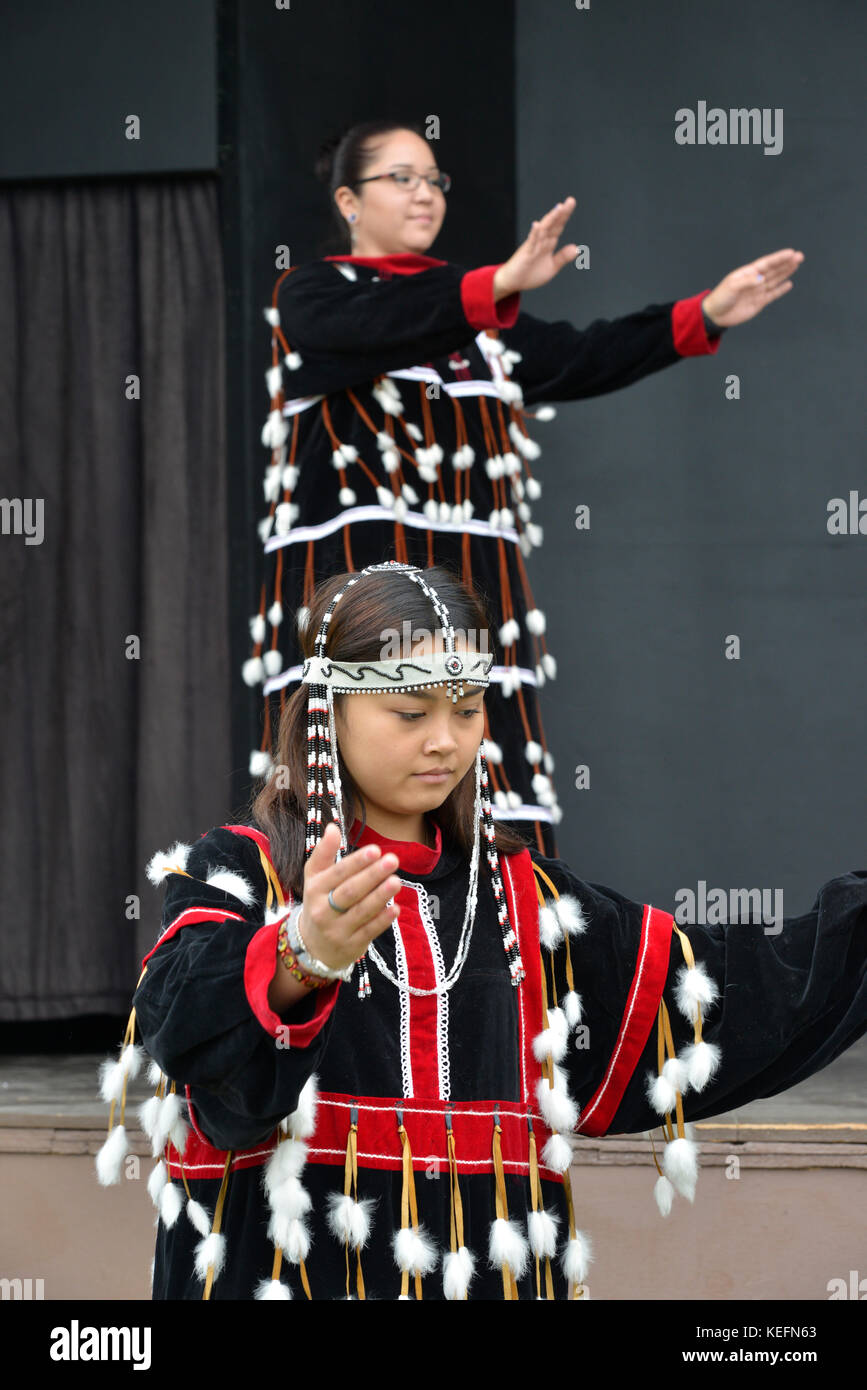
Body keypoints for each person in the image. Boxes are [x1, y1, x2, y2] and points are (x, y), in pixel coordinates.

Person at [96, 562, 866, 1301]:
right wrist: (302, 955)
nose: (445, 740)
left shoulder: (524, 900)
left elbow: (737, 991)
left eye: (465, 709)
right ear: (328, 711)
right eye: (411, 712)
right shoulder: (245, 870)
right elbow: (181, 1023)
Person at [246, 117, 805, 857]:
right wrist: (494, 286)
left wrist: (700, 315)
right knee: (367, 759)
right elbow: (376, 326)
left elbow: (577, 355)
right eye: (402, 178)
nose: (425, 194)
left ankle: (500, 953)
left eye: (434, 180)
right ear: (348, 201)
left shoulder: (477, 315)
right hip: (362, 583)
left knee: (485, 778)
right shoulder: (315, 292)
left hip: (474, 587)